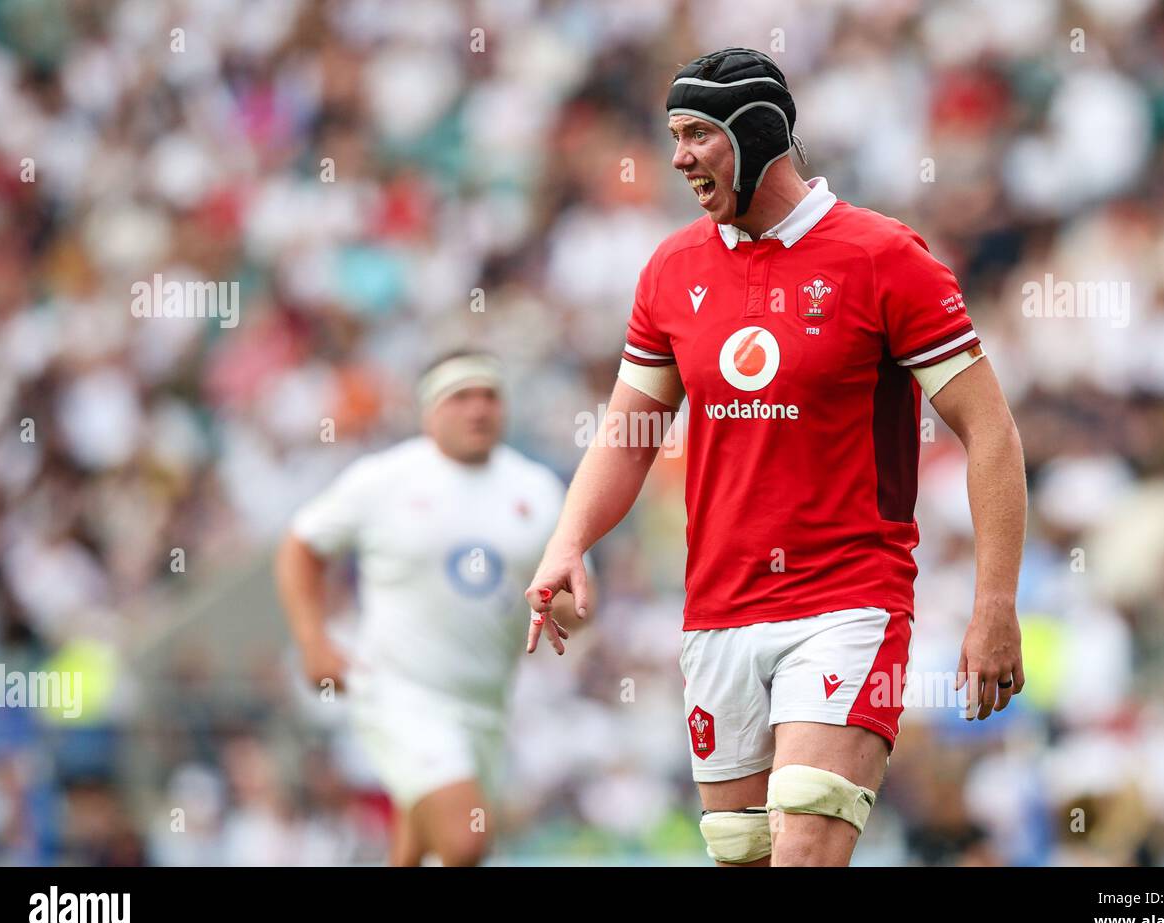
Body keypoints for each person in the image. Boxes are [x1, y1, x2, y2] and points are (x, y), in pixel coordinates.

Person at [525, 48, 1026, 867]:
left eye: (697, 135)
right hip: (717, 612)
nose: (679, 156)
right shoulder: (670, 269)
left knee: (804, 848)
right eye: (673, 136)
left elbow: (991, 431)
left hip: (847, 603)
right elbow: (628, 432)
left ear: (756, 135)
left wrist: (993, 603)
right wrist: (567, 541)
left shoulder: (884, 257)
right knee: (745, 858)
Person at [277, 349, 589, 865]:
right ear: (429, 411)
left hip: (487, 704)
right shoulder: (384, 479)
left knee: (423, 849)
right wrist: (313, 641)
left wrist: (556, 603)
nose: (478, 409)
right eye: (460, 397)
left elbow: (578, 601)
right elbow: (300, 546)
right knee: (466, 841)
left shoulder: (536, 490)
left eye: (489, 396)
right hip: (400, 691)